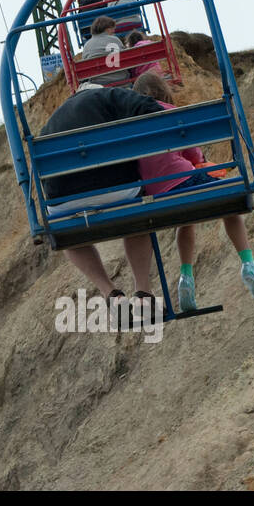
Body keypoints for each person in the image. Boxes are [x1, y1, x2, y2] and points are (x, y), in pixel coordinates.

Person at [131, 72, 254, 309]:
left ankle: (186, 277)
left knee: (186, 220)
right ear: (162, 91)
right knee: (228, 199)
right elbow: (194, 153)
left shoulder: (130, 122)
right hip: (184, 179)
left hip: (157, 195)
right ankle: (248, 263)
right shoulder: (170, 112)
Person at [40, 81, 167, 324]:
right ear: (97, 89)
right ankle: (143, 292)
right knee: (138, 218)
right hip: (117, 189)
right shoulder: (109, 96)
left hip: (64, 203)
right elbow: (150, 108)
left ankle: (110, 293)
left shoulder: (52, 122)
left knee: (68, 235)